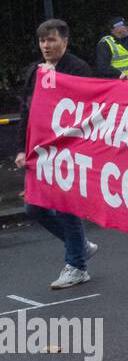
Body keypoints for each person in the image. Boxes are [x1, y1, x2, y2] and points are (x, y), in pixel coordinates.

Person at [14, 19, 97, 290]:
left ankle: (76, 266)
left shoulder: (78, 69)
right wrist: (21, 149)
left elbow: (87, 111)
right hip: (40, 152)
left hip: (69, 152)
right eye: (42, 41)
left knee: (65, 207)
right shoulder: (36, 71)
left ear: (65, 41)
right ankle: (81, 246)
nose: (46, 45)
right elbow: (28, 111)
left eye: (51, 40)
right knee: (34, 207)